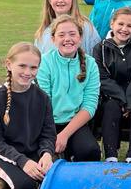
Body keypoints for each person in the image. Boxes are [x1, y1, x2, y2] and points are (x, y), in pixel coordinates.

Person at [0, 42, 57, 189]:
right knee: (24, 185)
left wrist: (47, 153)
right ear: (9, 64)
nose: (27, 72)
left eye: (33, 67)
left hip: (32, 152)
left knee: (54, 179)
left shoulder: (42, 97)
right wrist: (22, 161)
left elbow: (48, 134)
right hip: (4, 156)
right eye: (22, 66)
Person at [36, 15, 102, 162]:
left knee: (90, 151)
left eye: (72, 34)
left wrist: (65, 135)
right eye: (61, 35)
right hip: (47, 123)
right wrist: (54, 136)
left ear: (80, 38)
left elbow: (89, 105)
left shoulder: (91, 64)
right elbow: (44, 103)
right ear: (53, 39)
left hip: (75, 123)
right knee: (46, 160)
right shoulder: (45, 62)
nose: (67, 39)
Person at [94, 6, 131, 163]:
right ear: (112, 24)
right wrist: (122, 99)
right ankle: (111, 155)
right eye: (120, 24)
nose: (124, 29)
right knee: (111, 107)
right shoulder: (101, 48)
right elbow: (102, 79)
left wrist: (129, 101)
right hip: (111, 96)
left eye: (129, 26)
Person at [35, 0, 101, 55]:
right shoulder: (44, 32)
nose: (60, 0)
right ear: (50, 1)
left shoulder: (86, 27)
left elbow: (96, 55)